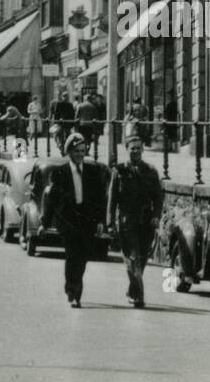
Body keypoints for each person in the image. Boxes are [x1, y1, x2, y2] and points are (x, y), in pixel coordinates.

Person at [47, 132, 107, 308]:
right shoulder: (60, 173)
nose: (80, 154)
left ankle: (75, 286)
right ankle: (73, 292)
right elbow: (52, 199)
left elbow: (99, 199)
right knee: (72, 255)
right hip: (69, 220)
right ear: (69, 152)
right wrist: (46, 222)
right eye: (76, 151)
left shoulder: (93, 172)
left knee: (82, 258)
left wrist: (101, 221)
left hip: (87, 220)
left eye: (82, 151)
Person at [108, 135, 164, 308]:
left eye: (138, 148)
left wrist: (156, 215)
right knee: (132, 257)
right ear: (127, 149)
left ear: (143, 150)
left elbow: (158, 197)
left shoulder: (151, 171)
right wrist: (110, 223)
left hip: (146, 221)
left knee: (142, 257)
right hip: (126, 220)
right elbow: (112, 199)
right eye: (132, 148)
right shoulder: (119, 171)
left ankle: (132, 290)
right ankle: (139, 296)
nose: (136, 151)